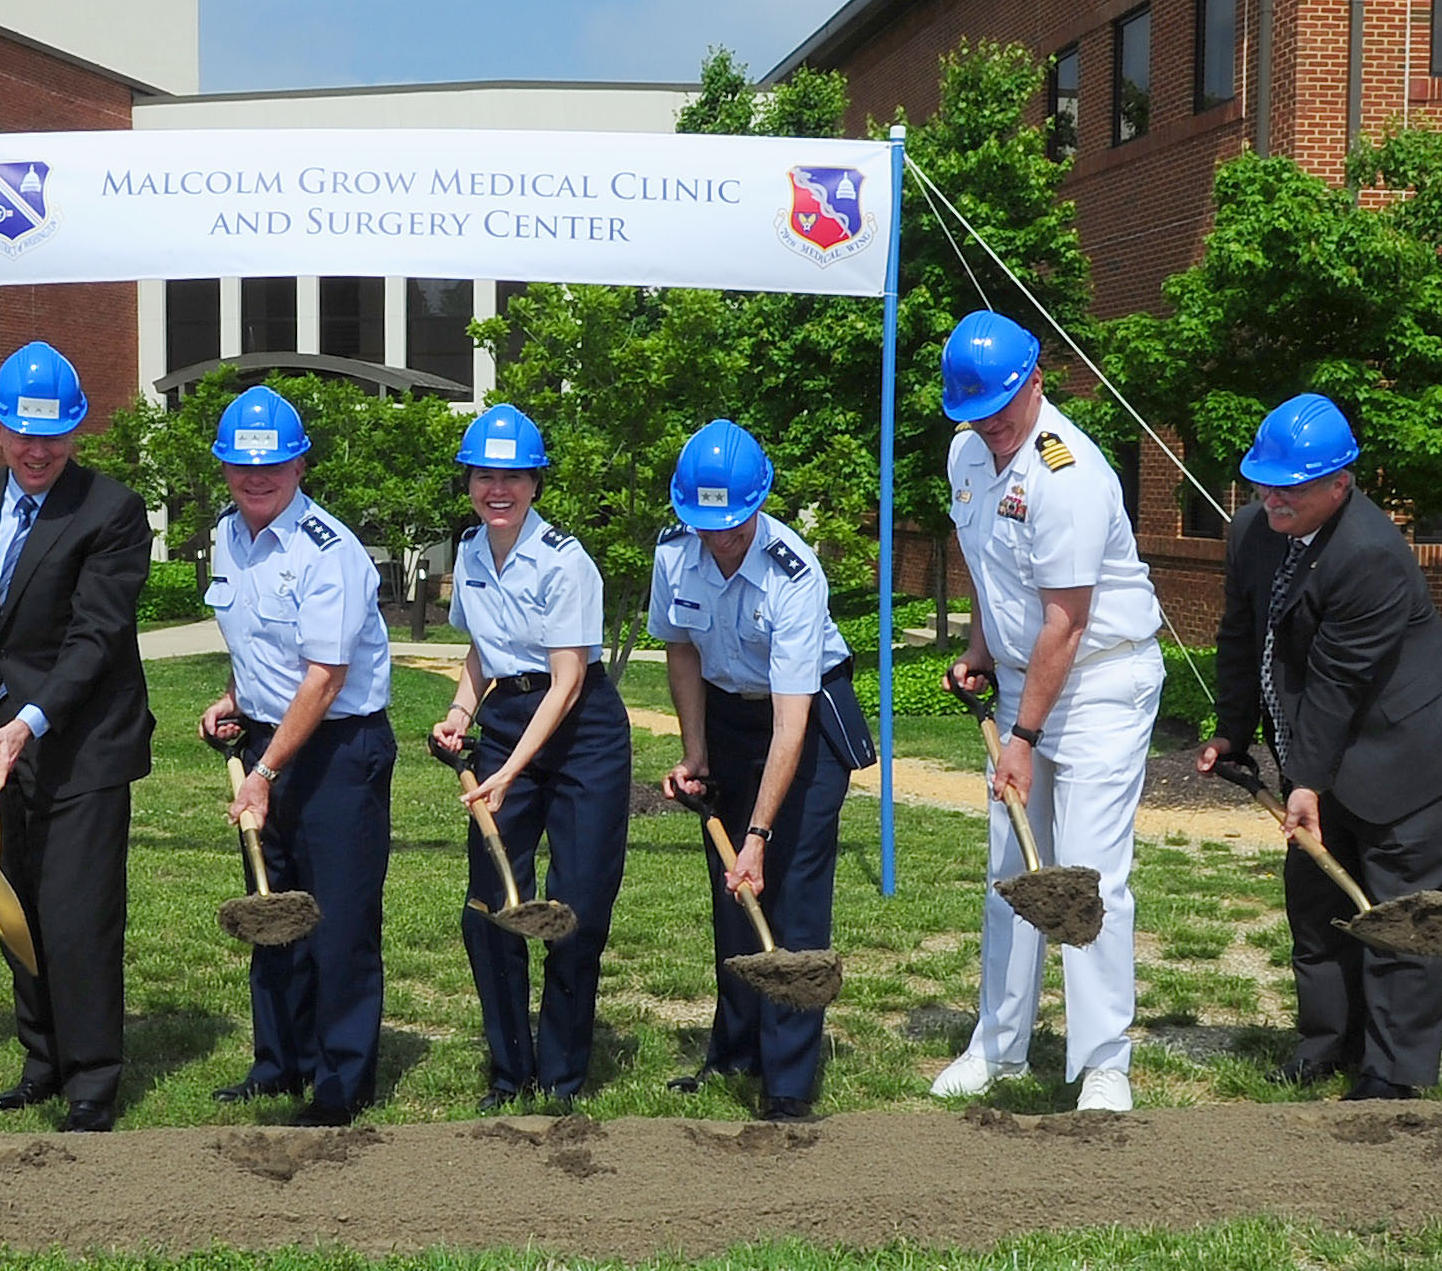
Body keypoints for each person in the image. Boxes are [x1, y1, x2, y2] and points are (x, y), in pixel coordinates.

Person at [1195, 394, 1442, 1099]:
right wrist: (1232, 730)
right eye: (1262, 480)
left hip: (1413, 754)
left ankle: (1395, 1075)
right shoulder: (1252, 530)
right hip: (1331, 749)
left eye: (1290, 486)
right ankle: (1329, 1043)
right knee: (1317, 905)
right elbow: (1242, 637)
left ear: (1341, 482)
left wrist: (1303, 782)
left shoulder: (1370, 553)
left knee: (1404, 916)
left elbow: (1338, 681)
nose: (1272, 496)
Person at [931, 310, 1163, 1114]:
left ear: (1035, 380)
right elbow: (993, 573)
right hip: (1028, 674)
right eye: (972, 412)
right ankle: (997, 1046)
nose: (988, 425)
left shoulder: (1069, 475)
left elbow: (1065, 621)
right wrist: (978, 650)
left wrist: (1021, 737)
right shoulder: (967, 452)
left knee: (1089, 878)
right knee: (1014, 871)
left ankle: (1104, 1062)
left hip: (1099, 683)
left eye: (1000, 405)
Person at [0, 341, 153, 1133]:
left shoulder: (112, 512)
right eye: (24, 434)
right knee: (16, 905)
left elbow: (96, 639)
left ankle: (93, 1078)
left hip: (79, 743)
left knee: (76, 915)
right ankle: (43, 1058)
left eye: (55, 435)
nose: (38, 450)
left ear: (76, 430)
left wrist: (30, 724)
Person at [648, 419, 875, 1122]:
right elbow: (681, 649)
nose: (719, 539)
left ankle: (787, 1084)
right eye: (705, 525)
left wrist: (758, 834)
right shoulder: (673, 553)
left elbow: (791, 718)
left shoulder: (793, 571)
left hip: (801, 726)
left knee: (792, 895)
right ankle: (736, 1049)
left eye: (734, 526)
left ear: (758, 507)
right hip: (725, 711)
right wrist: (696, 751)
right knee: (732, 899)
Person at [198, 385, 396, 1126]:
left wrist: (264, 772)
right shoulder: (228, 535)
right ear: (224, 469)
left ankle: (341, 1083)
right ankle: (278, 1064)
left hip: (339, 752)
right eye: (242, 467)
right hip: (270, 740)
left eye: (273, 465)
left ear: (301, 463)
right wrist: (234, 699)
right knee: (271, 911)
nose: (257, 478)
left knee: (339, 923)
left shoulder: (329, 550)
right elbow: (260, 646)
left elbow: (325, 676)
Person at [426, 404, 632, 1111]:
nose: (497, 489)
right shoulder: (473, 551)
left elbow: (569, 680)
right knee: (489, 904)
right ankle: (509, 1070)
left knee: (575, 907)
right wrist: (462, 712)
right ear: (471, 483)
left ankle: (563, 1076)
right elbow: (482, 651)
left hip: (582, 734)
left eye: (513, 476)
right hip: (509, 717)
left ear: (536, 484)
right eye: (485, 475)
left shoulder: (566, 562)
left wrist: (507, 771)